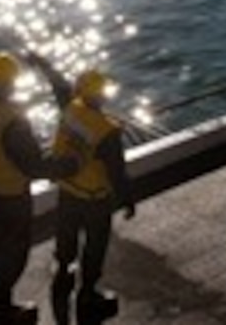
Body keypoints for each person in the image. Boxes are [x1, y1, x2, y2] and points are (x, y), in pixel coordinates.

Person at [0, 51, 77, 325]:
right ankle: (4, 308)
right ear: (12, 84)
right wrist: (66, 167)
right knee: (12, 252)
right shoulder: (13, 122)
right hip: (11, 198)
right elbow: (34, 166)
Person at [49, 67, 135, 325]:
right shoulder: (106, 131)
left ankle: (63, 270)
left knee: (66, 237)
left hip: (68, 191)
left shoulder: (69, 108)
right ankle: (87, 293)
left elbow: (58, 85)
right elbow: (117, 173)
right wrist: (128, 200)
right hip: (95, 198)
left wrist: (41, 63)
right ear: (101, 96)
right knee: (95, 246)